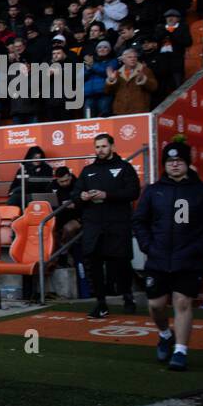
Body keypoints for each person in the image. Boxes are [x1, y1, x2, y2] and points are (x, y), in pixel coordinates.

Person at [132, 141, 203, 371]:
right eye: (170, 161)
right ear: (165, 164)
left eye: (179, 160)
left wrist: (198, 249)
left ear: (187, 163)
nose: (174, 165)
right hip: (158, 257)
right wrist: (148, 246)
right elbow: (139, 221)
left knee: (182, 302)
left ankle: (180, 351)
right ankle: (165, 334)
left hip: (189, 259)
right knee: (155, 305)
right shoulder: (153, 191)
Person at [74, 133, 141, 318]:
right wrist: (82, 197)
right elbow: (75, 193)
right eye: (97, 147)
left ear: (112, 146)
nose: (100, 150)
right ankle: (101, 303)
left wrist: (107, 195)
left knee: (121, 264)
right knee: (94, 264)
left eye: (103, 146)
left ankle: (128, 297)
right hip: (93, 226)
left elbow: (133, 192)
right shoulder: (88, 171)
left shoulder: (125, 167)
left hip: (117, 225)